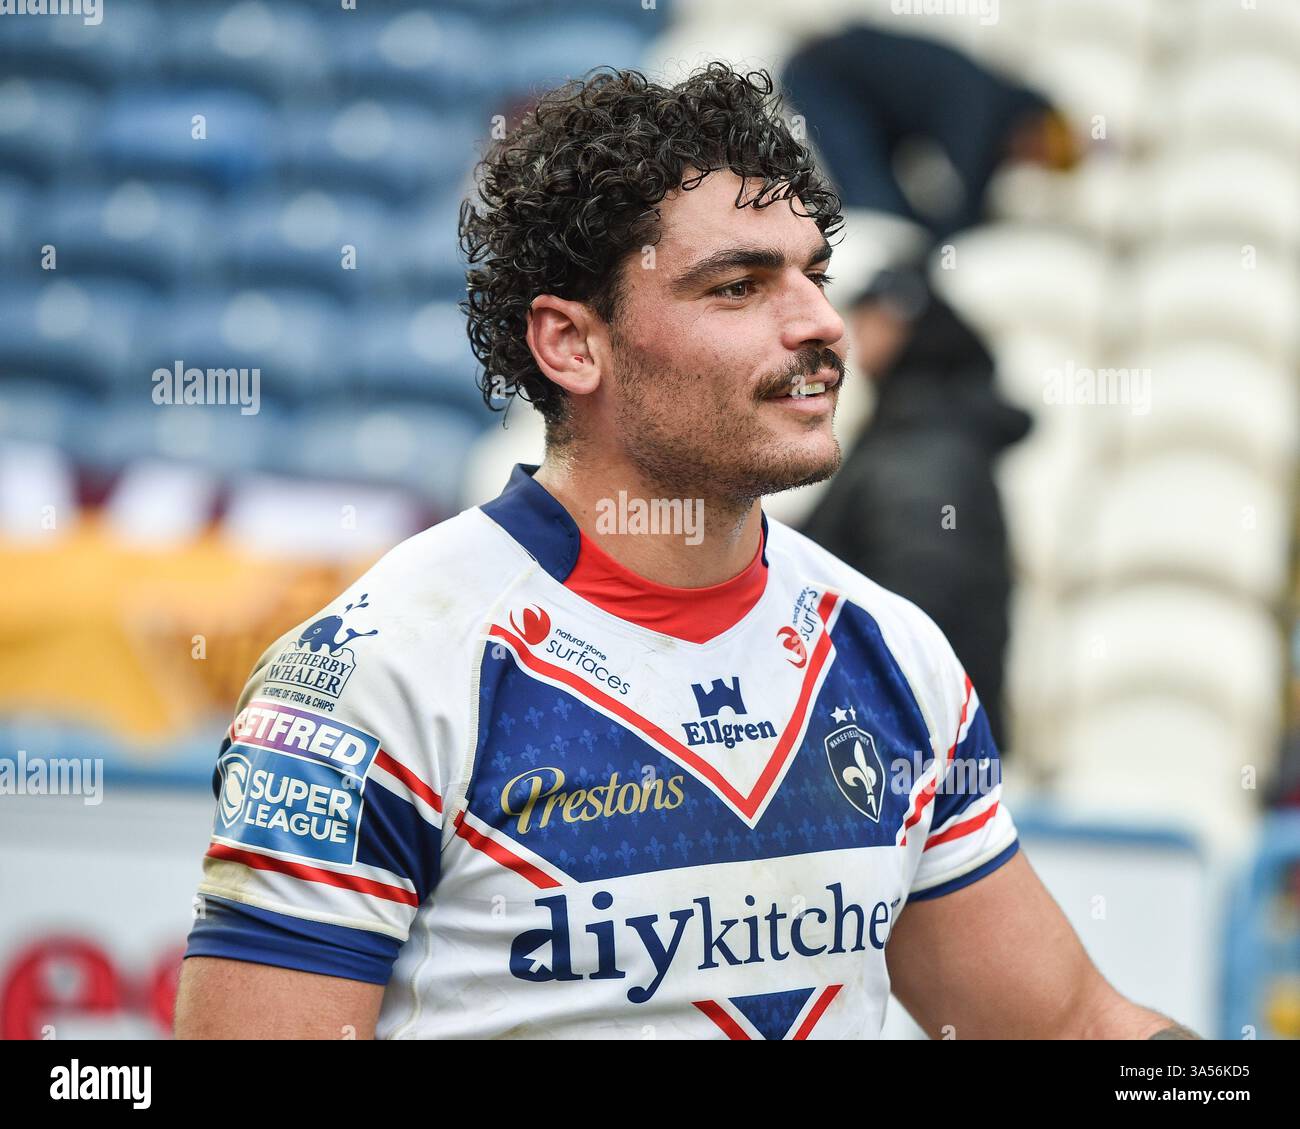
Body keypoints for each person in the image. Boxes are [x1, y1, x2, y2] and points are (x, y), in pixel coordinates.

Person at [173, 64, 1197, 1040]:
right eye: (739, 287)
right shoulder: (378, 673)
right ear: (572, 344)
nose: (821, 325)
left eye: (814, 274)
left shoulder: (890, 651)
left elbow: (1064, 1024)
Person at [801, 271, 1031, 749]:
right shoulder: (915, 430)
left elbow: (919, 604)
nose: (850, 338)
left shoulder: (924, 449)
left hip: (906, 740)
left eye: (869, 322)